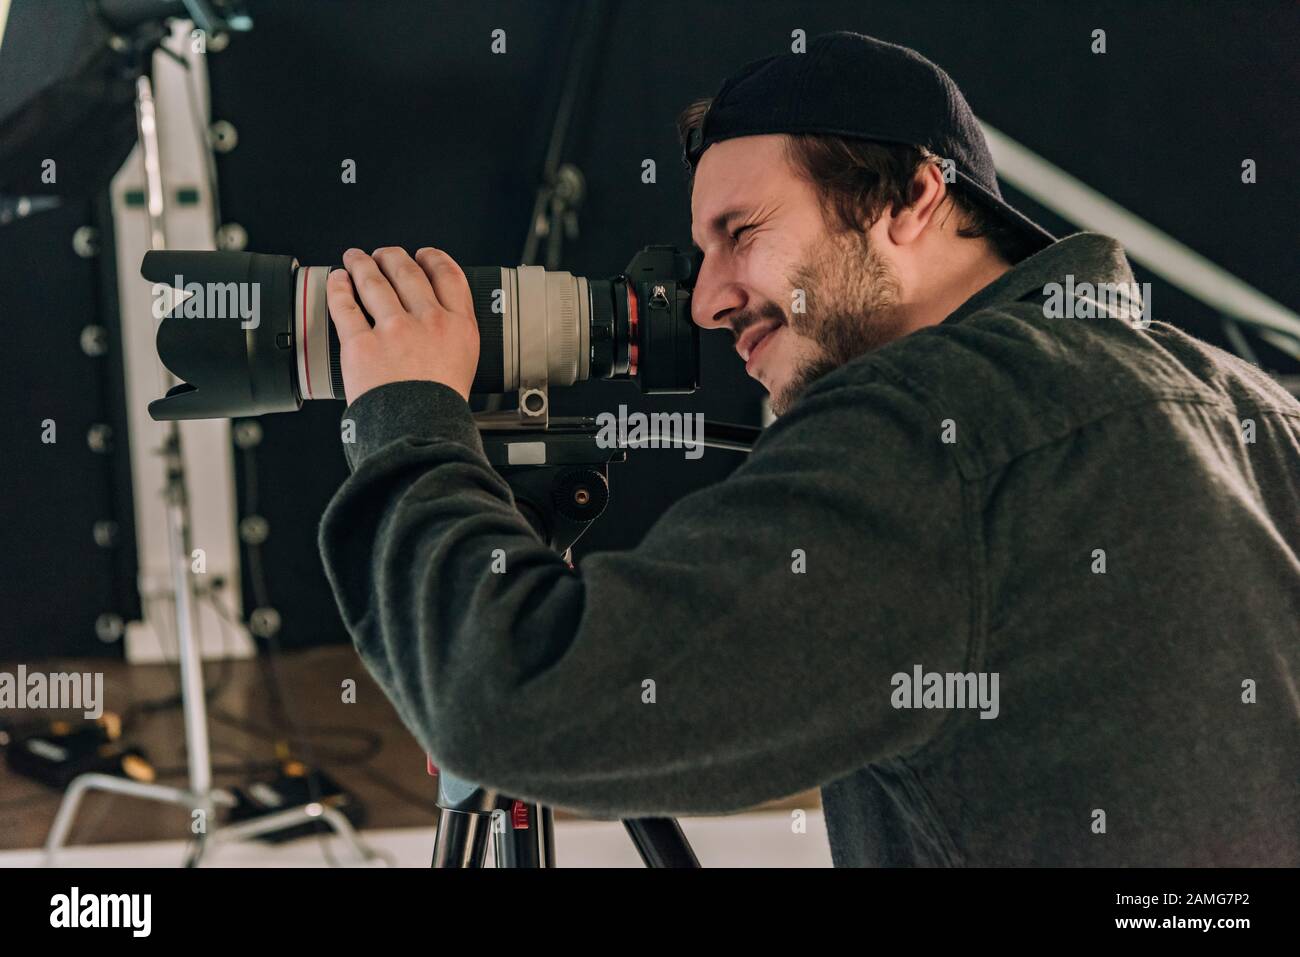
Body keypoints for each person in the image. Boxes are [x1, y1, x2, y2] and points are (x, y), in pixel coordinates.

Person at [318, 32, 1300, 866]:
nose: (706, 300)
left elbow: (506, 703)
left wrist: (407, 407)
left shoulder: (934, 420)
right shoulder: (1244, 404)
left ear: (910, 199)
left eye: (739, 232)